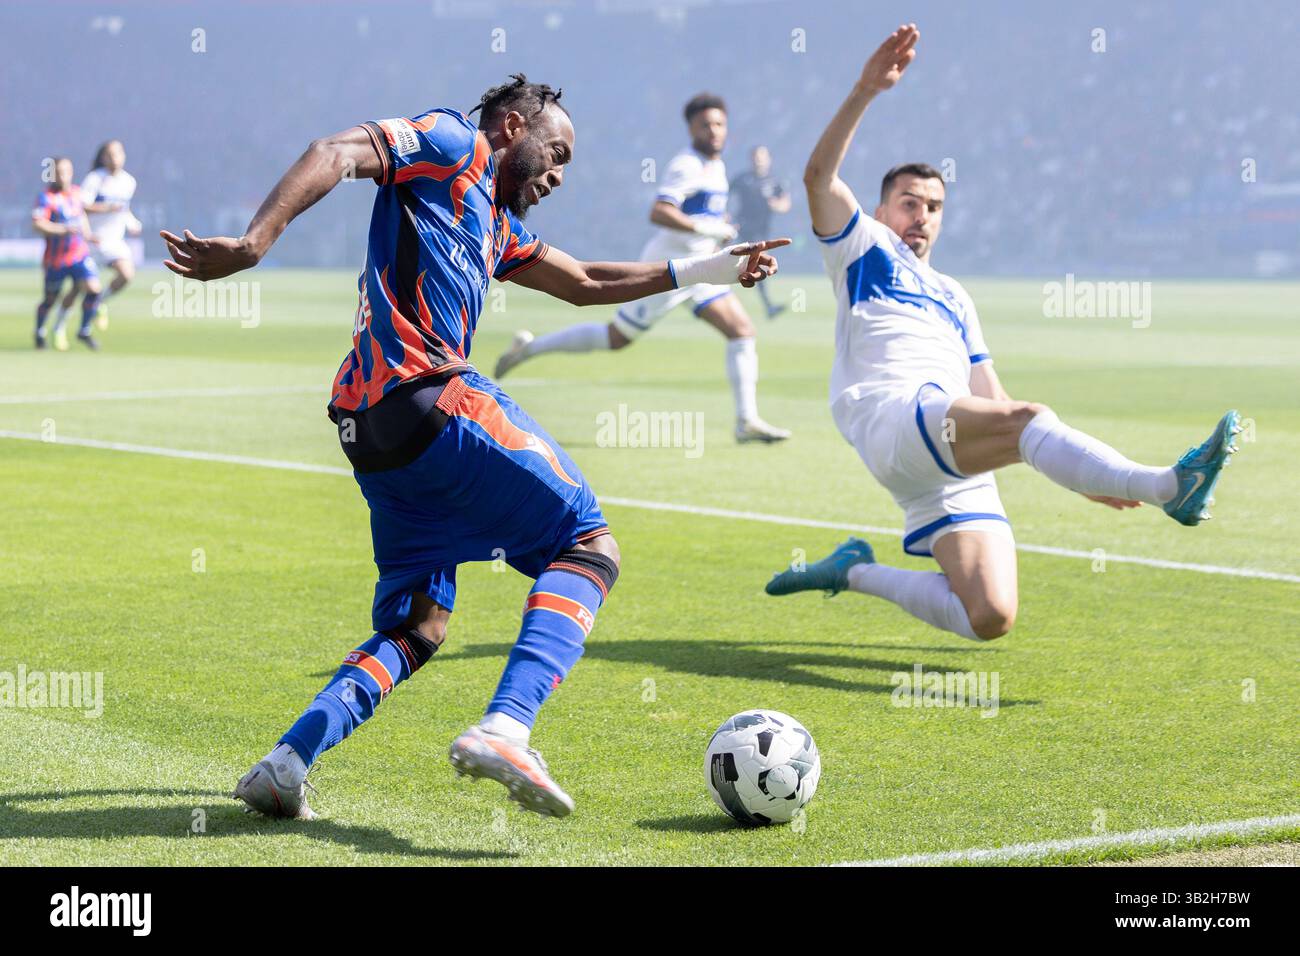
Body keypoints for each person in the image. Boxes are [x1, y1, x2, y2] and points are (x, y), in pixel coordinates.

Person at [160, 75, 786, 819]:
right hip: (428, 394)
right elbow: (335, 150)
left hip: (376, 435)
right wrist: (254, 243)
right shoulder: (453, 141)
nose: (558, 174)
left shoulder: (493, 220)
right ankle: (506, 726)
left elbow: (584, 281)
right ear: (513, 126)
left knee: (417, 626)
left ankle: (285, 763)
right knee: (588, 545)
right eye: (556, 154)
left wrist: (716, 267)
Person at [765, 25, 1240, 642]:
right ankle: (1167, 487)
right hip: (893, 418)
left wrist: (1083, 474)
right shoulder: (864, 249)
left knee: (988, 616)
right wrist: (865, 91)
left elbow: (992, 399)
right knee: (1025, 421)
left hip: (947, 443)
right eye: (909, 202)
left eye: (934, 207)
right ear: (881, 211)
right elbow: (817, 178)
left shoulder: (957, 296)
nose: (922, 216)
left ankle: (854, 571)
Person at [493, 93, 791, 443]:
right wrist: (705, 228)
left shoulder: (717, 166)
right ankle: (528, 349)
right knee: (616, 338)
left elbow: (702, 213)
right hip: (669, 269)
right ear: (692, 129)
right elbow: (660, 211)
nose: (714, 131)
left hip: (704, 271)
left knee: (742, 331)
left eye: (719, 124)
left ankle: (746, 421)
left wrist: (718, 226)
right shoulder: (687, 165)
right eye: (705, 124)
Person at [31, 157, 103, 351]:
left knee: (94, 289)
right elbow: (37, 224)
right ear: (52, 174)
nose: (64, 175)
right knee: (50, 300)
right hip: (56, 260)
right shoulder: (46, 197)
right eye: (59, 171)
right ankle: (39, 331)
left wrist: (88, 235)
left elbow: (82, 216)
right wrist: (62, 229)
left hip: (79, 255)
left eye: (67, 171)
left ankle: (84, 330)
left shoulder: (76, 193)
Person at [82, 139, 142, 330]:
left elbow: (124, 209)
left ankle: (99, 302)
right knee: (77, 290)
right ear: (103, 157)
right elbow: (82, 206)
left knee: (127, 274)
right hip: (91, 240)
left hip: (113, 240)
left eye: (117, 153)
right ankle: (59, 325)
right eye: (109, 154)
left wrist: (131, 222)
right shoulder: (94, 179)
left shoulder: (129, 181)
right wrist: (107, 207)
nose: (114, 158)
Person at [730, 145, 792, 318]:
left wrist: (777, 205)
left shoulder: (775, 181)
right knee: (751, 262)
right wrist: (727, 217)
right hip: (742, 228)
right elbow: (726, 196)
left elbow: (785, 203)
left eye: (762, 157)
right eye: (756, 157)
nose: (758, 160)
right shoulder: (742, 180)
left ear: (768, 159)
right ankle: (768, 306)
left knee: (750, 264)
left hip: (762, 231)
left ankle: (767, 306)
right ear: (751, 159)